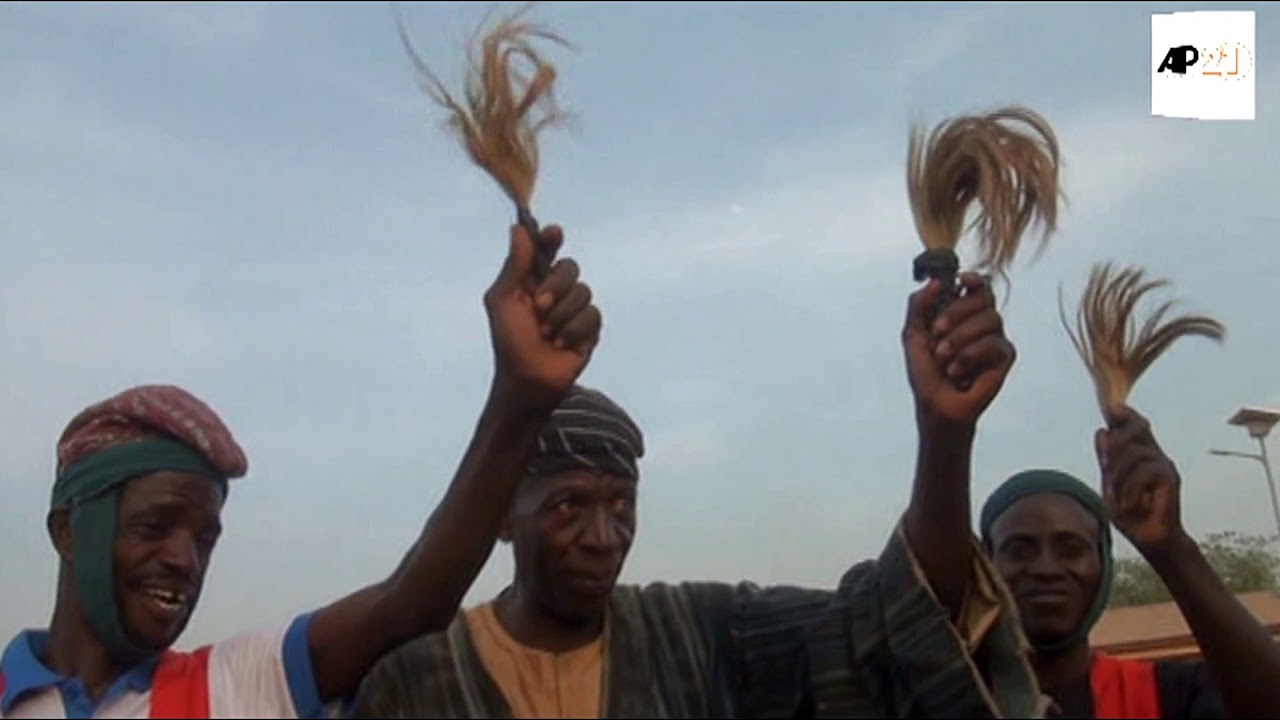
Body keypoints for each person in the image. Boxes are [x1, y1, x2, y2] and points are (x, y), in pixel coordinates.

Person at [346, 273, 1046, 719]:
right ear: (503, 516)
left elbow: (888, 626)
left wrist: (944, 437)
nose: (603, 537)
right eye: (568, 505)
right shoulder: (417, 681)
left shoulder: (701, 636)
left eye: (621, 505)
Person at [0, 224, 603, 719]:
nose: (184, 559)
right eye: (155, 526)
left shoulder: (235, 686)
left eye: (204, 537)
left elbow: (409, 605)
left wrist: (520, 398)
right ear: (67, 531)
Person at [980, 406, 1280, 718]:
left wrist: (1170, 546)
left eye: (1071, 549)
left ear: (1103, 563)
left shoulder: (1167, 695)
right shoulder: (958, 700)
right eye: (1019, 550)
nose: (1046, 568)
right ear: (986, 565)